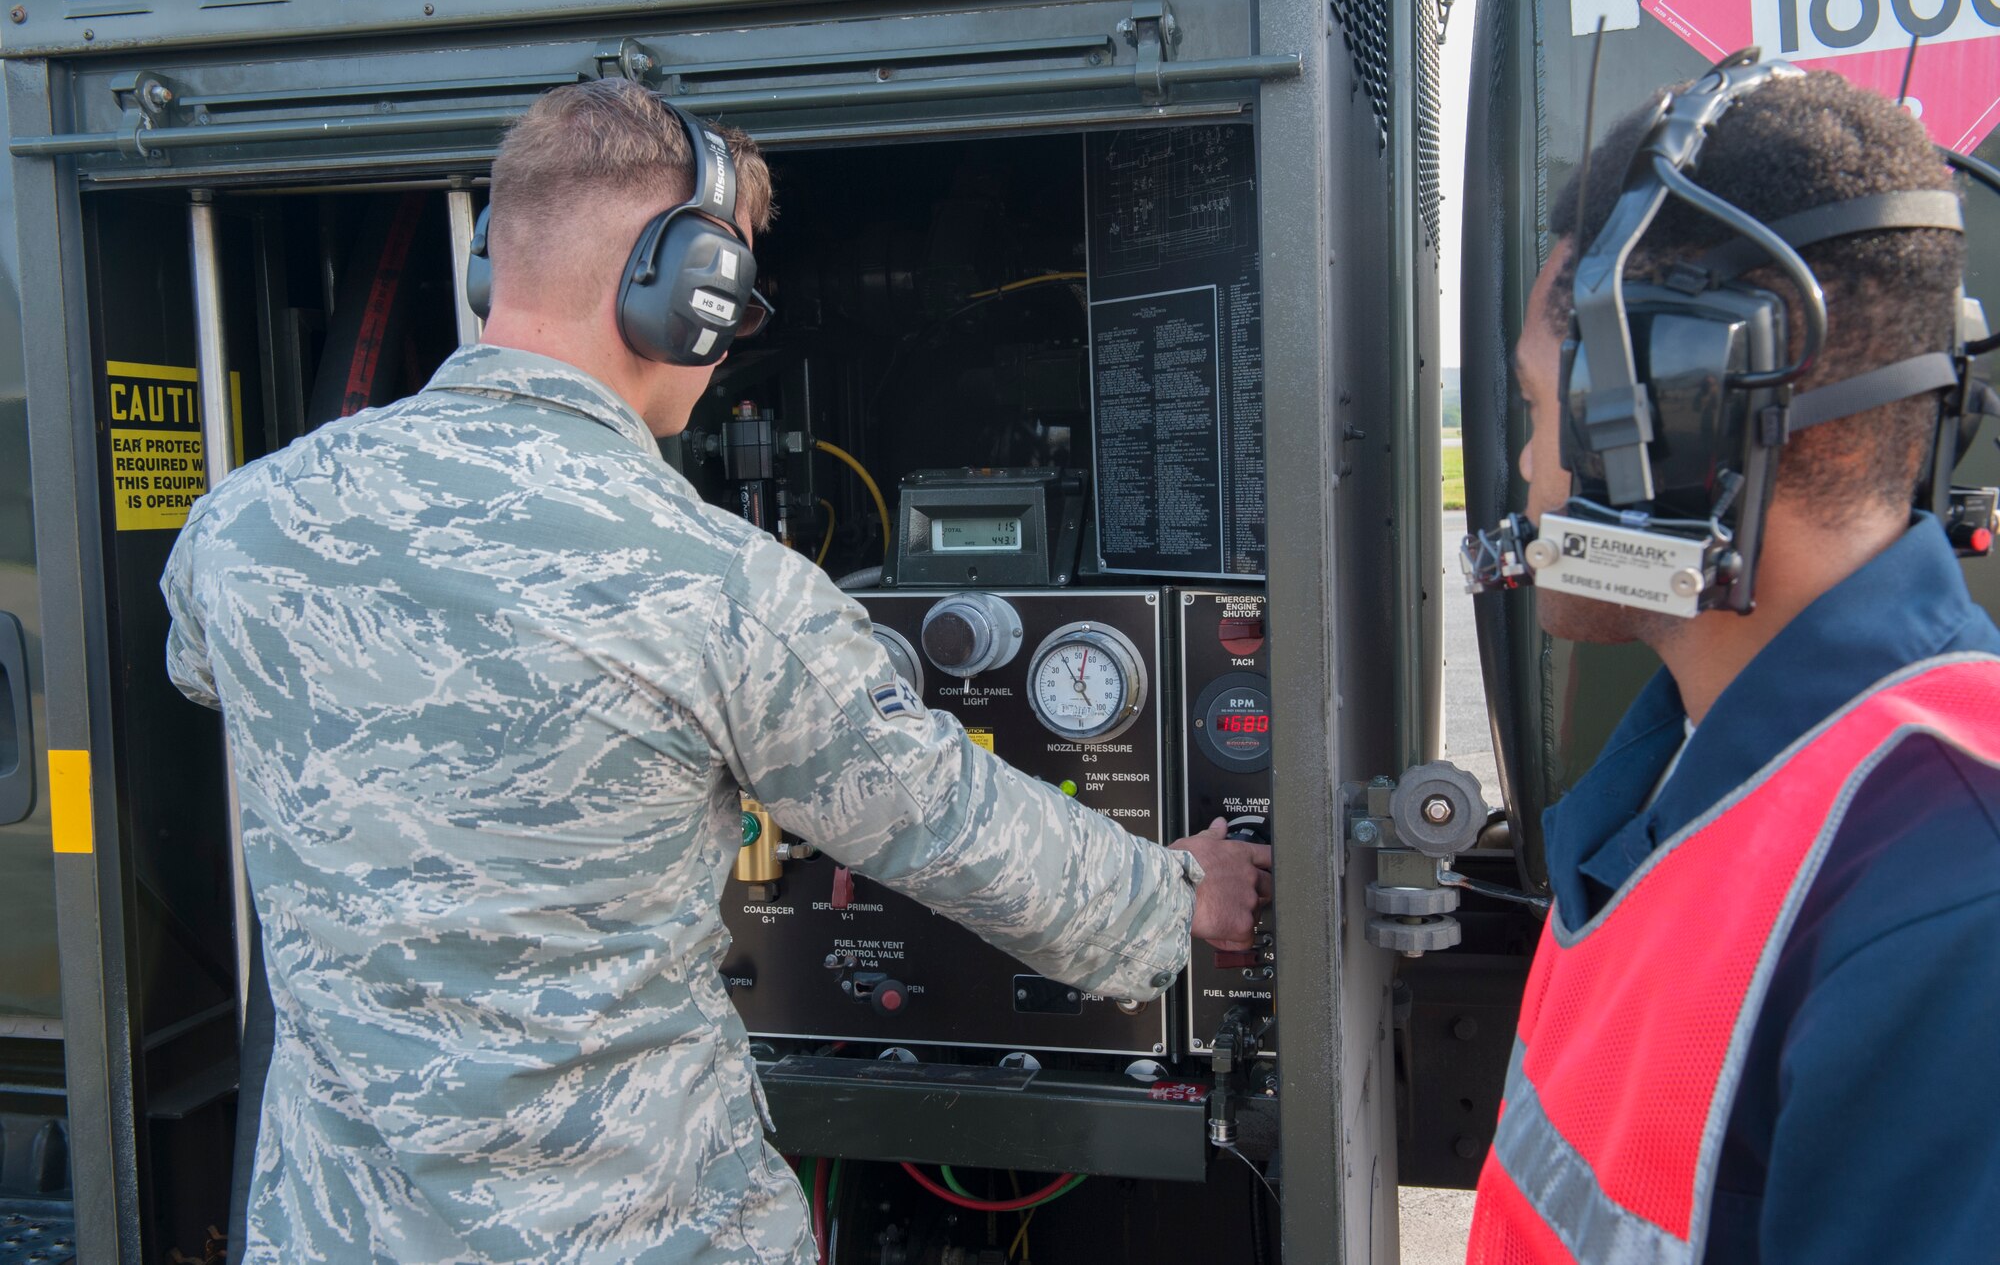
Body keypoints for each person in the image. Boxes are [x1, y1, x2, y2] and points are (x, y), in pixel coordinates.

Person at [160, 78, 1270, 1264]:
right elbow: (949, 822)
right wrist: (1177, 891)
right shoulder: (721, 587)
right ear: (685, 290)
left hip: (332, 1231)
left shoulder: (242, 524)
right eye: (733, 295)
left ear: (498, 265)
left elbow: (199, 670)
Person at [1467, 69, 2000, 1262]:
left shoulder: (1953, 906)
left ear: (1664, 417)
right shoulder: (1703, 769)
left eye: (1532, 402)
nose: (1521, 466)